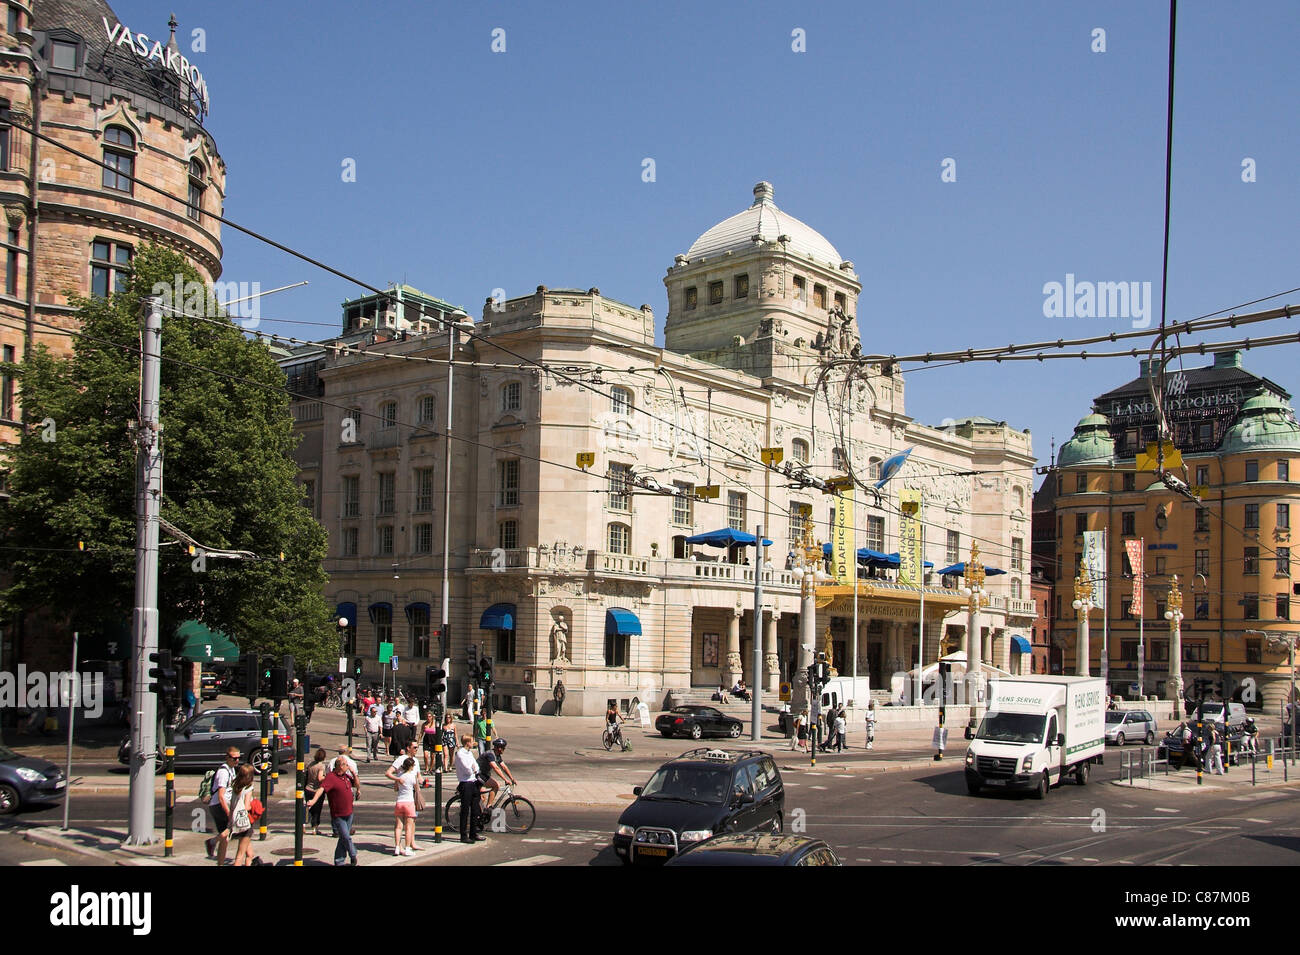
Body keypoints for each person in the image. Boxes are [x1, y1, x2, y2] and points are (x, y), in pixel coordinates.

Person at [305, 756, 359, 865]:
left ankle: (339, 861)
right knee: (346, 837)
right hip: (338, 814)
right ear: (340, 766)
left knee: (343, 838)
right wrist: (313, 800)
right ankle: (353, 854)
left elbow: (357, 784)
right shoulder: (331, 777)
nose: (348, 766)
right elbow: (322, 789)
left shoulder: (346, 776)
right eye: (346, 764)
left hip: (349, 812)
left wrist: (354, 774)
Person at [204, 747, 241, 864]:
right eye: (234, 758)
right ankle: (212, 842)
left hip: (220, 805)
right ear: (228, 757)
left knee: (225, 837)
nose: (237, 761)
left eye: (239, 758)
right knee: (236, 828)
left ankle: (219, 860)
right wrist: (228, 812)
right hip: (219, 805)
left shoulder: (232, 769)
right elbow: (221, 796)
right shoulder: (223, 772)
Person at [454, 734, 485, 843]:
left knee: (475, 809)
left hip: (473, 781)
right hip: (465, 783)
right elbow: (467, 769)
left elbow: (475, 765)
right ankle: (463, 835)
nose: (473, 743)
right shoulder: (460, 753)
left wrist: (475, 769)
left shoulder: (469, 753)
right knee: (465, 810)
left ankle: (473, 833)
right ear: (467, 742)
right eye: (472, 741)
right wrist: (473, 769)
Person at [391, 756, 422, 855]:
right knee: (408, 827)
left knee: (398, 827)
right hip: (409, 802)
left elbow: (395, 789)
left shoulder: (399, 777)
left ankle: (397, 847)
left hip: (399, 802)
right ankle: (407, 848)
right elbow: (417, 789)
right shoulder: (412, 777)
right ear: (411, 766)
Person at [477, 738, 517, 814]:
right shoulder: (490, 754)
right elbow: (496, 768)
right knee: (495, 786)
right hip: (479, 775)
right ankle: (489, 807)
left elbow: (504, 767)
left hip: (484, 775)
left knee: (482, 798)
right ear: (499, 748)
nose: (504, 750)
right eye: (503, 748)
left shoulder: (497, 755)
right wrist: (505, 779)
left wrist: (512, 778)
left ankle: (480, 815)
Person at [227, 763, 256, 866]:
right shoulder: (248, 788)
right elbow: (247, 806)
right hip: (245, 822)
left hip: (236, 821)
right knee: (240, 855)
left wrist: (230, 822)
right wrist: (254, 805)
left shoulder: (235, 786)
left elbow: (231, 806)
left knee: (250, 854)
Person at [305, 747, 329, 835]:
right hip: (317, 790)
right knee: (317, 810)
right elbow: (319, 778)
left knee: (308, 808)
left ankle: (303, 824)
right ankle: (314, 828)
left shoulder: (310, 764)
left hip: (308, 788)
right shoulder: (321, 766)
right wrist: (326, 777)